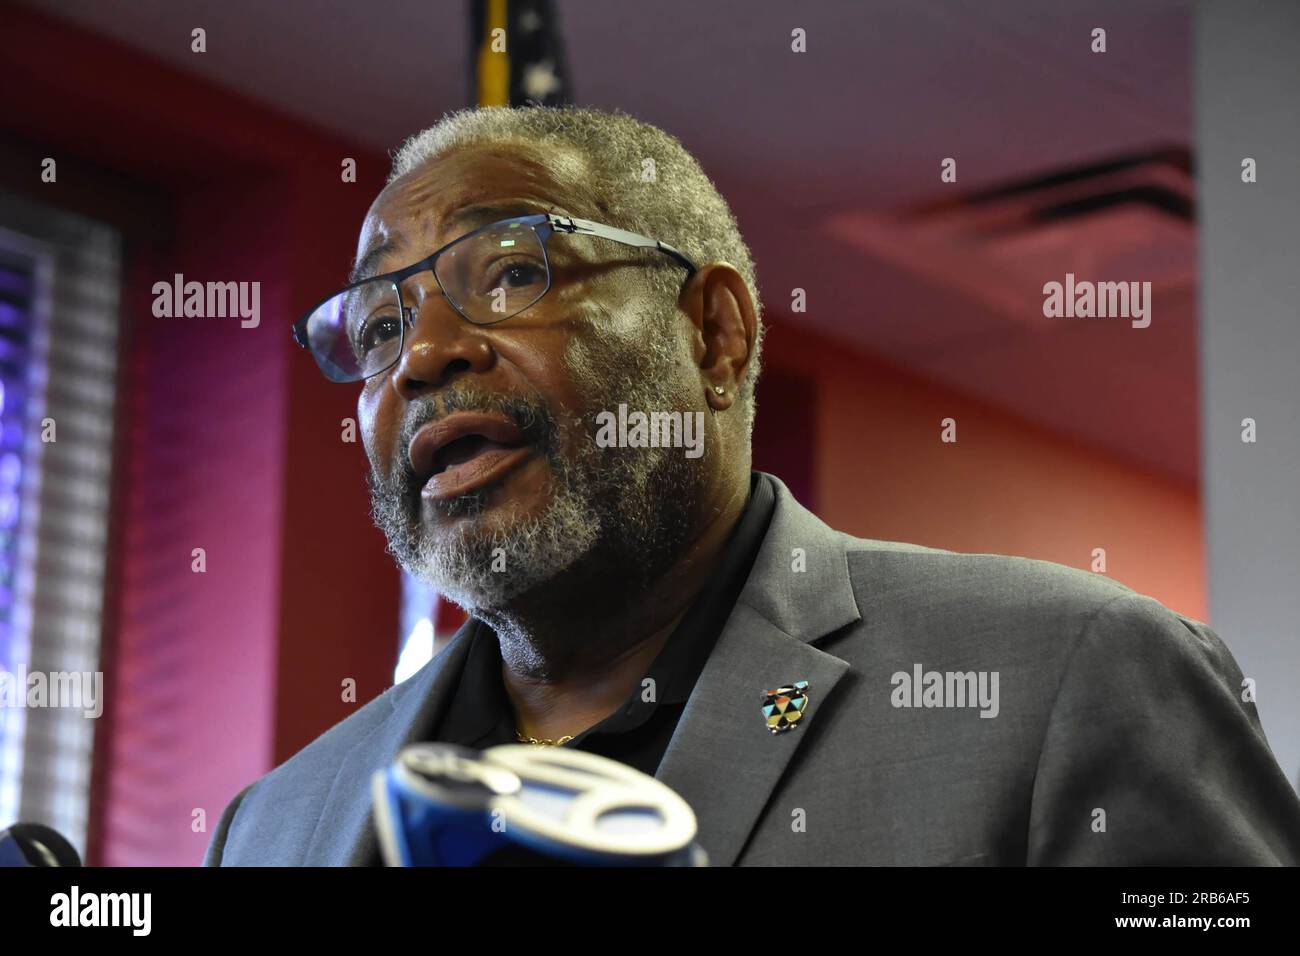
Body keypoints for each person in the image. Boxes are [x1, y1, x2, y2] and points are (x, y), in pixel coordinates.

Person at [206, 106, 1300, 866]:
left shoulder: (1068, 676)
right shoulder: (274, 823)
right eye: (379, 326)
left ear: (713, 335)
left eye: (511, 271)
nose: (423, 355)